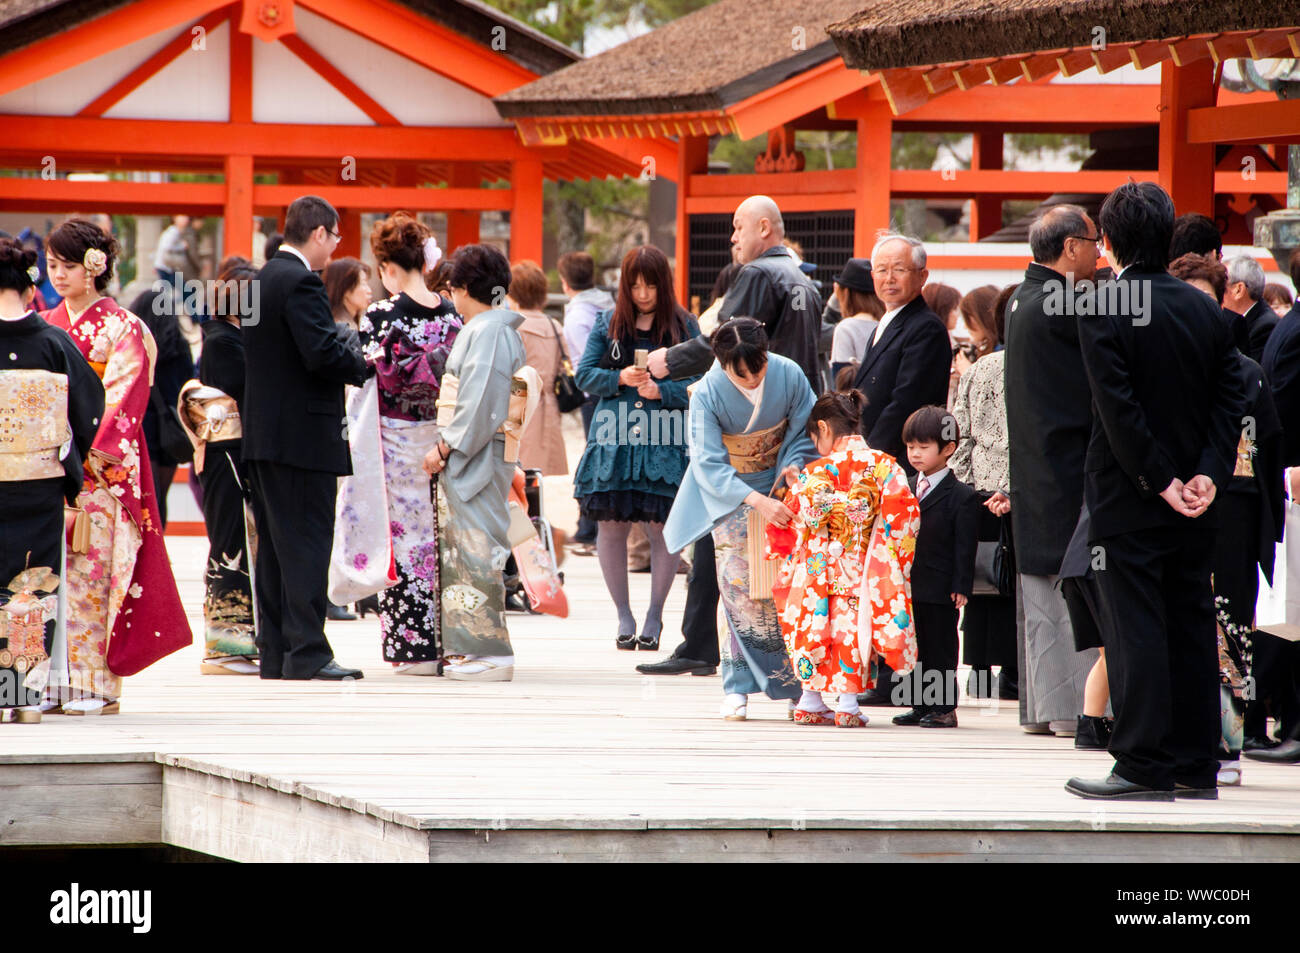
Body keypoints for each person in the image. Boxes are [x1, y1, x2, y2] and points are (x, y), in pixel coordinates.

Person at [1065, 182, 1248, 801]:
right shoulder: (1207, 309)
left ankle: (1142, 763)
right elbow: (1232, 399)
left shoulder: (1101, 305)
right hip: (1197, 499)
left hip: (1130, 494)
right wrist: (1206, 475)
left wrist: (1158, 480)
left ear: (1108, 242)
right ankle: (1197, 765)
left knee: (1135, 626)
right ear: (1168, 235)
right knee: (1191, 623)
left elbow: (1119, 409)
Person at [41, 219, 191, 713]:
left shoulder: (124, 328)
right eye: (52, 265)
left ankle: (96, 686)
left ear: (93, 268)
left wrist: (85, 457)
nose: (56, 275)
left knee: (91, 577)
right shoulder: (45, 323)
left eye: (66, 266)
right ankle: (46, 681)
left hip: (98, 472)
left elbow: (125, 401)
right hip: (46, 468)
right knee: (46, 575)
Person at [664, 317, 818, 720]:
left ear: (767, 353)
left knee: (787, 586)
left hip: (783, 486)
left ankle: (798, 688)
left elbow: (804, 428)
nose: (751, 379)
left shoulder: (789, 372)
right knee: (738, 591)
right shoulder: (707, 391)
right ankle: (737, 687)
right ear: (720, 361)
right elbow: (707, 463)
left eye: (758, 367)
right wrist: (756, 501)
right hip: (730, 494)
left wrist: (793, 465)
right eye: (740, 372)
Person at [242, 195, 368, 682]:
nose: (334, 249)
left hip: (265, 433)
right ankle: (309, 653)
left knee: (275, 547)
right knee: (308, 543)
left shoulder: (260, 280)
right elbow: (319, 354)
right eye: (334, 238)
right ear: (318, 234)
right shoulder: (301, 283)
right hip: (301, 435)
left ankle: (277, 653)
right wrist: (362, 363)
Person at [1174, 253, 1287, 779]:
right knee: (1177, 621)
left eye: (1206, 297)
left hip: (1234, 512)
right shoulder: (1163, 367)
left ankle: (1227, 741)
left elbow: (1266, 448)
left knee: (1232, 624)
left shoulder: (1247, 371)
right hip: (1174, 506)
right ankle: (1173, 736)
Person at [1004, 204, 1104, 735]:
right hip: (1068, 467)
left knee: (1041, 596)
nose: (1099, 251)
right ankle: (1073, 713)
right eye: (1094, 240)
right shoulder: (1067, 302)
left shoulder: (1023, 298)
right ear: (1071, 247)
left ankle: (1044, 710)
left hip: (1035, 466)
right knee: (1073, 591)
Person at [573, 246, 701, 650]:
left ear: (663, 284)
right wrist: (620, 380)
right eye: (635, 284)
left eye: (650, 284)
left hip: (663, 440)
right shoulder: (607, 324)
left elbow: (705, 380)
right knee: (611, 527)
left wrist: (664, 390)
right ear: (624, 285)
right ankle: (624, 616)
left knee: (663, 528)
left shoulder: (684, 326)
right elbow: (584, 376)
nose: (643, 293)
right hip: (615, 441)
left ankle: (654, 616)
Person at [351, 213, 461, 671]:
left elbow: (369, 381)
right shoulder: (453, 313)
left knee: (406, 542)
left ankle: (411, 647)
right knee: (446, 541)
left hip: (396, 443)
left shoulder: (379, 316)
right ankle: (453, 641)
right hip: (446, 438)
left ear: (387, 267)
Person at [771, 390, 920, 728]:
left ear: (823, 428)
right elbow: (905, 516)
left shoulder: (813, 472)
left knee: (814, 624)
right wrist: (892, 558)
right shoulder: (885, 466)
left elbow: (794, 519)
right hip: (863, 566)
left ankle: (810, 700)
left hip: (816, 569)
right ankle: (848, 705)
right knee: (855, 627)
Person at [0, 237, 103, 722]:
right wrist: (67, 465)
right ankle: (20, 695)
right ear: (28, 285)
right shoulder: (54, 342)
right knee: (31, 583)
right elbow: (88, 409)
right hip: (38, 485)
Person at [423, 244, 527, 681]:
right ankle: (469, 647)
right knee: (466, 547)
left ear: (464, 289)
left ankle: (488, 650)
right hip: (480, 452)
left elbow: (480, 403)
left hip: (475, 454)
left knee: (476, 548)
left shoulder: (489, 333)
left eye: (454, 289)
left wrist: (445, 448)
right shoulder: (492, 329)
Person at [646, 195, 823, 394]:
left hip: (769, 406)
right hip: (804, 401)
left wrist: (670, 360)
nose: (733, 237)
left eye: (739, 228)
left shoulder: (758, 272)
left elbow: (728, 339)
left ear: (764, 228)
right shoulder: (805, 283)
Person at [187, 258, 261, 675]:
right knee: (229, 543)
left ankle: (237, 640)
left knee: (235, 541)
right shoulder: (223, 341)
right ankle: (224, 646)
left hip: (229, 452)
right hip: (225, 451)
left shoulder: (224, 336)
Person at [890, 406, 980, 728]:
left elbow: (964, 546)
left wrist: (961, 585)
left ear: (948, 449)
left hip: (940, 584)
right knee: (913, 646)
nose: (914, 454)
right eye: (910, 446)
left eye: (923, 447)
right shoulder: (902, 487)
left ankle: (944, 707)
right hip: (907, 583)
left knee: (940, 646)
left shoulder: (961, 496)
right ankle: (918, 704)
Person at [950, 284, 1018, 701]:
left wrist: (965, 489)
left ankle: (977, 670)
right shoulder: (1048, 365)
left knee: (982, 578)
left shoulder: (979, 370)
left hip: (981, 486)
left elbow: (959, 434)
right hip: (1026, 490)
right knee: (1014, 582)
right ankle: (1013, 672)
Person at [850, 234, 952, 475]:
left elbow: (906, 401)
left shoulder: (926, 328)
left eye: (899, 269)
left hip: (899, 461)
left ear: (922, 276)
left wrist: (869, 456)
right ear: (872, 275)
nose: (889, 278)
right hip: (874, 457)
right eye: (882, 270)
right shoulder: (885, 324)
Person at [559, 251, 615, 556]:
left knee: (594, 456)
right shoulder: (607, 305)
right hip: (614, 385)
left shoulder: (578, 315)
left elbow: (586, 362)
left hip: (595, 390)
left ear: (565, 283)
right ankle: (592, 525)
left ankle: (589, 527)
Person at [127, 275, 194, 530]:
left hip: (143, 426)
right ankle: (162, 552)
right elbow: (187, 385)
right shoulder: (180, 347)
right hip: (172, 430)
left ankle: (149, 557)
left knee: (145, 500)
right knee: (161, 498)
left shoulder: (134, 346)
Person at [509, 260, 569, 477]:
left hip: (518, 407)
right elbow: (565, 367)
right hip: (549, 406)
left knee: (516, 472)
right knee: (539, 476)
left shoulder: (513, 327)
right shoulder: (554, 325)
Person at [828, 258, 883, 381]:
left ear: (846, 292)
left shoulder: (846, 328)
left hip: (855, 398)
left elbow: (841, 382)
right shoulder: (886, 324)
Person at [1221, 256, 1278, 365]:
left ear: (1239, 289)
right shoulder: (1242, 319)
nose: (1217, 292)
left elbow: (1250, 374)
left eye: (1220, 286)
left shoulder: (1264, 327)